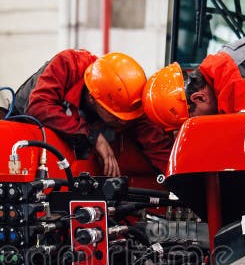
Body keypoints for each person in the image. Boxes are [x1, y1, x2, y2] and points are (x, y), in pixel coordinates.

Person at [13, 49, 173, 177]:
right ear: (92, 98)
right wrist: (93, 137)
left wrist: (180, 180)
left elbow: (157, 147)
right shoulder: (67, 64)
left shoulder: (128, 101)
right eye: (116, 116)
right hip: (25, 145)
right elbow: (39, 107)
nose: (123, 122)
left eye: (127, 117)